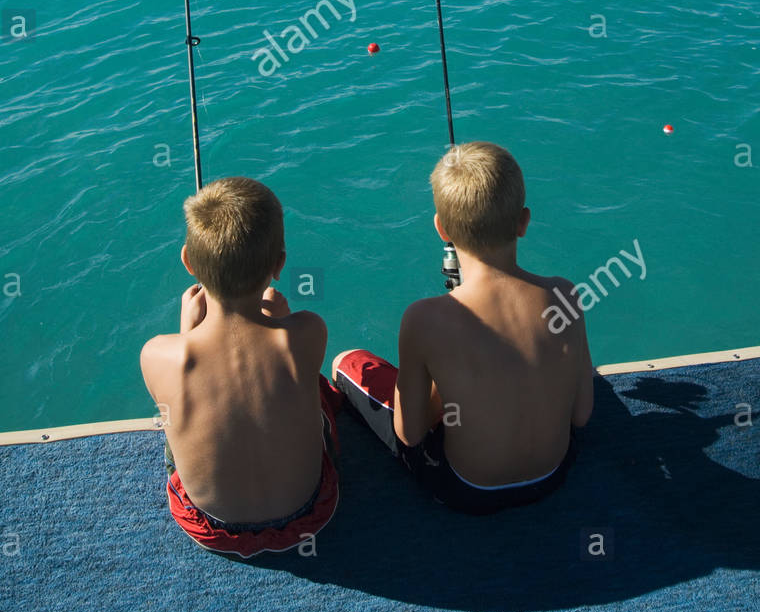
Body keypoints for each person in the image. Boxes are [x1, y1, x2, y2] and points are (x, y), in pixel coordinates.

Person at [333, 141, 593, 515]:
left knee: (346, 362)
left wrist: (448, 382)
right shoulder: (566, 295)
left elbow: (411, 433)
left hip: (466, 491)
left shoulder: (423, 318)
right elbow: (582, 416)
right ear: (523, 221)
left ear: (441, 229)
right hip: (553, 476)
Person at [140, 176, 340, 557]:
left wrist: (187, 331)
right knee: (316, 394)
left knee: (174, 413)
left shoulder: (158, 355)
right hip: (310, 514)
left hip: (212, 527)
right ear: (279, 264)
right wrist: (283, 320)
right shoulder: (307, 331)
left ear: (188, 261)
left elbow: (189, 393)